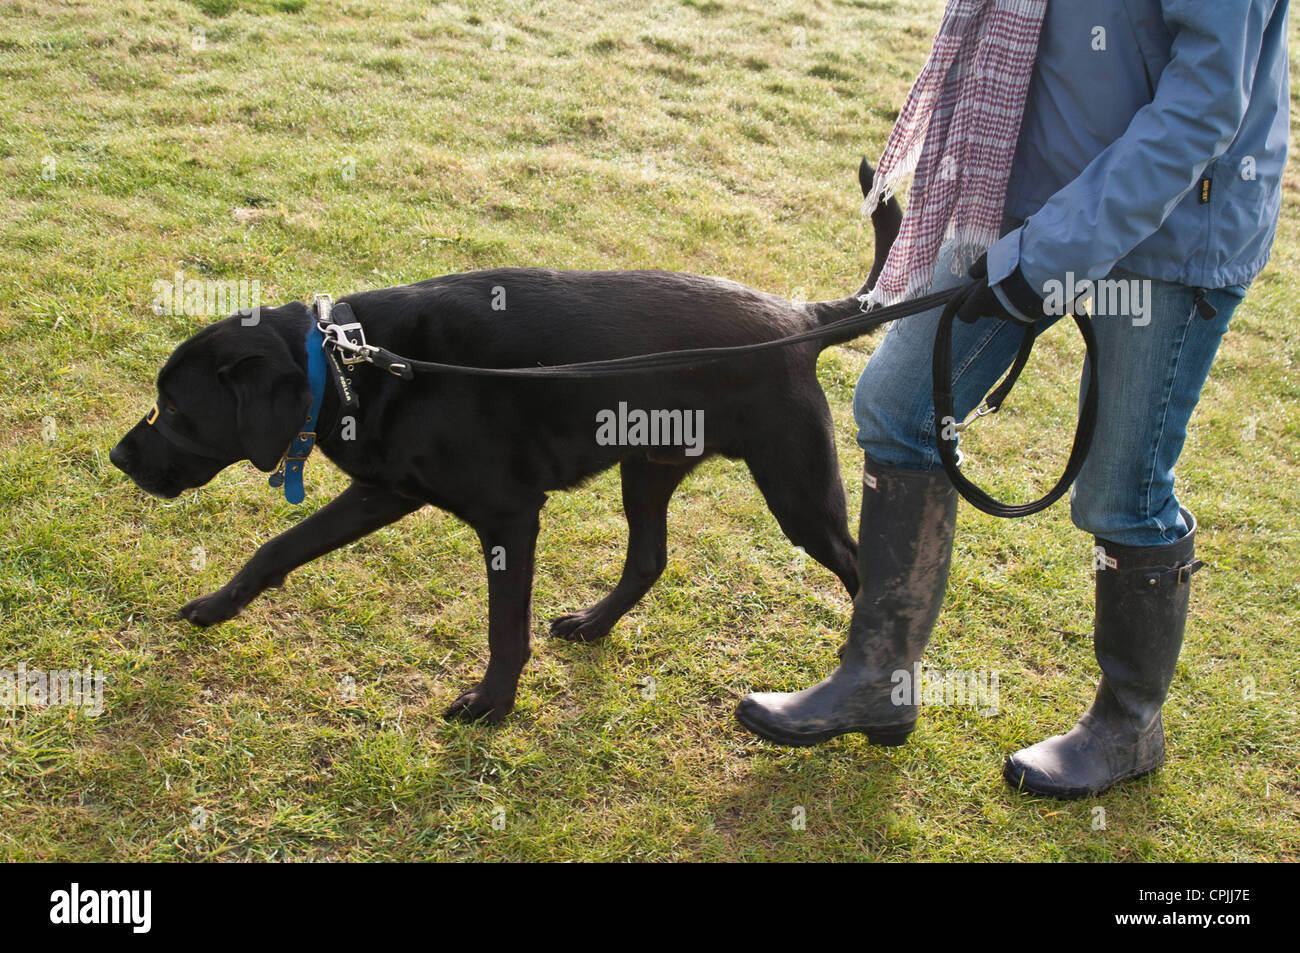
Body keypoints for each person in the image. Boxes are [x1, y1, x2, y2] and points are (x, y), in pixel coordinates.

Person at [735, 0, 1290, 799]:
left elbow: (1203, 100)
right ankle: (877, 678)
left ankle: (1128, 724)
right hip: (1024, 195)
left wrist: (1055, 252)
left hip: (1174, 227)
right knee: (897, 406)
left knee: (1121, 494)